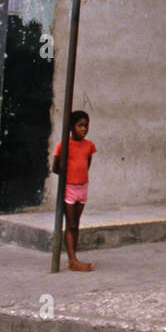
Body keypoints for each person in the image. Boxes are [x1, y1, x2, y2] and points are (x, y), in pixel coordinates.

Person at [52, 110, 97, 272]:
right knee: (70, 224)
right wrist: (70, 176)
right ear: (71, 127)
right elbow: (56, 167)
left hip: (82, 188)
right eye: (80, 126)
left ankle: (73, 258)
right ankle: (73, 260)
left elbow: (87, 164)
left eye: (86, 126)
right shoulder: (63, 145)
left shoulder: (89, 146)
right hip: (70, 188)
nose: (84, 129)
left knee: (76, 224)